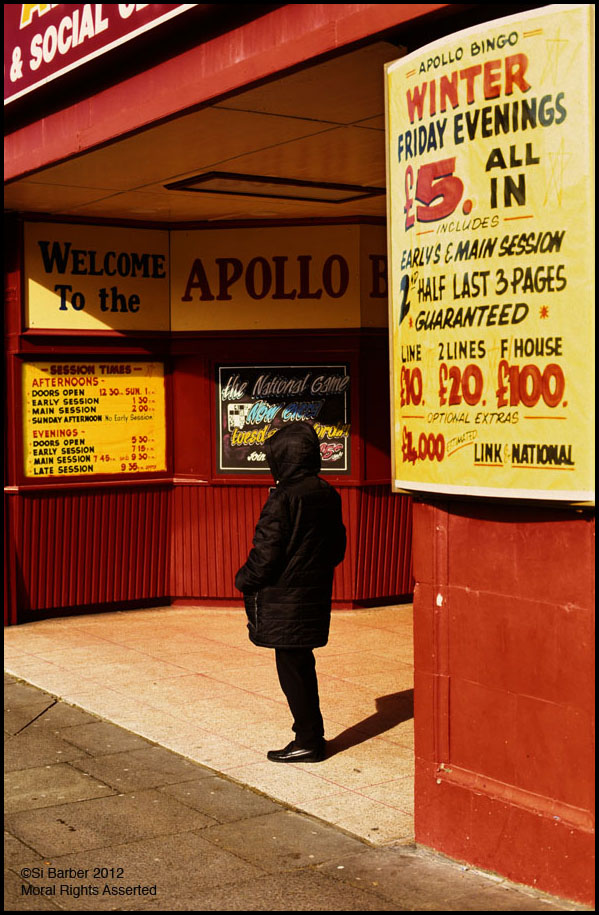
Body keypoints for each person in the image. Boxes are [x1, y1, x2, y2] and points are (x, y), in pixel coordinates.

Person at [235, 421, 346, 763]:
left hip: (284, 599)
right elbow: (337, 547)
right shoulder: (327, 493)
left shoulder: (282, 498)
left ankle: (309, 740)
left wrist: (244, 579)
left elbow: (265, 554)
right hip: (312, 593)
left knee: (293, 670)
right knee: (301, 665)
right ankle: (311, 736)